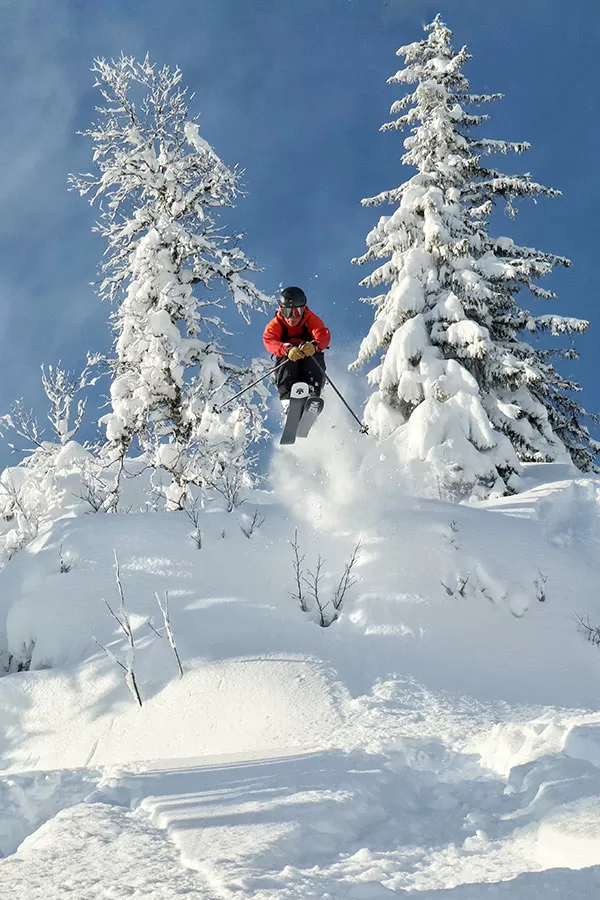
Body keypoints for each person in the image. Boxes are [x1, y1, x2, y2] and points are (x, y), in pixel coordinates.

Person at [263, 286, 331, 403]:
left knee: (313, 357)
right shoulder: (277, 323)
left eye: (296, 312)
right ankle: (288, 399)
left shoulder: (311, 319)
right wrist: (287, 350)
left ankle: (313, 391)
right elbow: (269, 340)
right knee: (286, 360)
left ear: (303, 309)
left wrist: (315, 346)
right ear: (281, 309)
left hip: (308, 359)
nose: (291, 317)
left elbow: (322, 334)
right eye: (287, 312)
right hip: (289, 360)